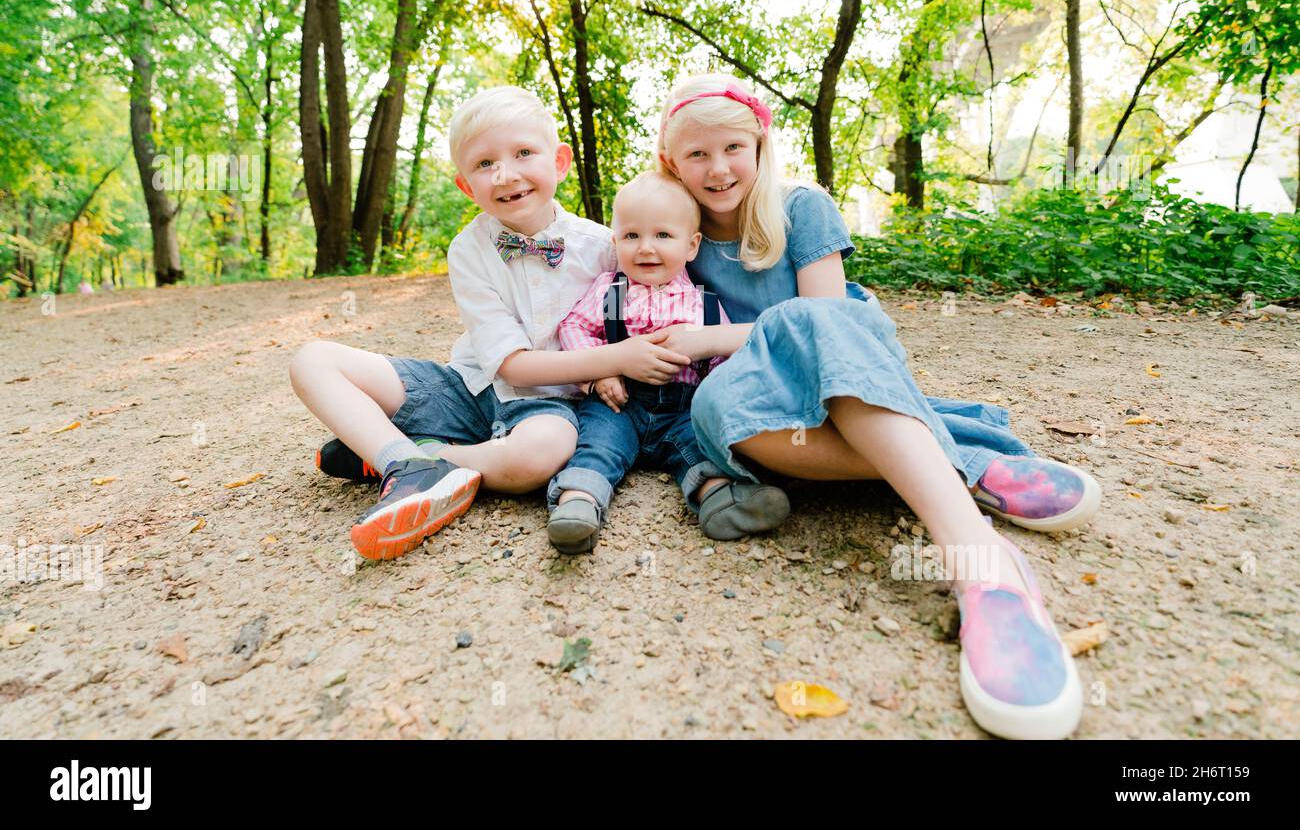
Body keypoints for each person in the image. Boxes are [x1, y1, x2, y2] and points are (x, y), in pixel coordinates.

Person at [646, 72, 1102, 739]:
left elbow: (825, 321)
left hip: (848, 375)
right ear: (670, 162)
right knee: (714, 401)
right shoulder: (667, 230)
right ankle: (965, 460)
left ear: (761, 143)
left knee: (805, 324)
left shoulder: (801, 208)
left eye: (733, 147)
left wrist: (708, 337)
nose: (718, 169)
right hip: (768, 411)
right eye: (697, 155)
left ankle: (983, 562)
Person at [290, 86, 692, 561]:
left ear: (559, 162)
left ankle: (411, 459)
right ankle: (400, 460)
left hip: (547, 408)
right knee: (312, 359)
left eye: (524, 152)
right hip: (469, 388)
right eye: (484, 164)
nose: (506, 174)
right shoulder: (468, 248)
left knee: (542, 454)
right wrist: (617, 358)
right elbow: (513, 367)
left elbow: (654, 302)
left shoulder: (605, 244)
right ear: (466, 186)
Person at [543, 171, 789, 553]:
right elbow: (574, 327)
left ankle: (718, 497)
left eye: (662, 235)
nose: (645, 248)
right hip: (618, 402)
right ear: (615, 241)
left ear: (691, 246)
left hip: (682, 407)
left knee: (697, 447)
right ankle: (578, 503)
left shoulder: (704, 302)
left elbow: (724, 356)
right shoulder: (610, 289)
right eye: (631, 236)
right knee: (598, 443)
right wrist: (598, 373)